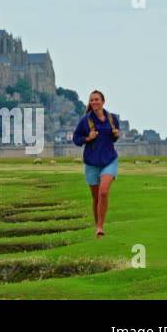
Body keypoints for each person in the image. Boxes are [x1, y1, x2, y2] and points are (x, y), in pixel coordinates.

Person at [72, 90, 120, 238]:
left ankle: (100, 227)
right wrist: (88, 138)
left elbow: (113, 139)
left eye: (96, 100)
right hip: (92, 162)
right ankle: (97, 225)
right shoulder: (85, 120)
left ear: (103, 101)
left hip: (109, 160)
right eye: (92, 100)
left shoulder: (112, 118)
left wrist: (116, 135)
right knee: (96, 197)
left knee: (103, 192)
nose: (94, 102)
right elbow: (76, 139)